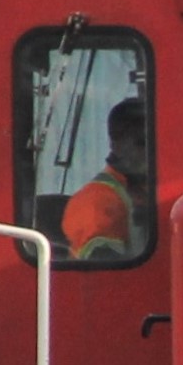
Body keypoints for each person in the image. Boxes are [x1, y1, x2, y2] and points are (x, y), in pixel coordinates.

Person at [61, 98, 152, 263]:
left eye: (156, 142)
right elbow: (105, 275)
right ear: (115, 145)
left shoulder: (147, 189)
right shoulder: (96, 201)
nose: (150, 151)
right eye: (142, 143)